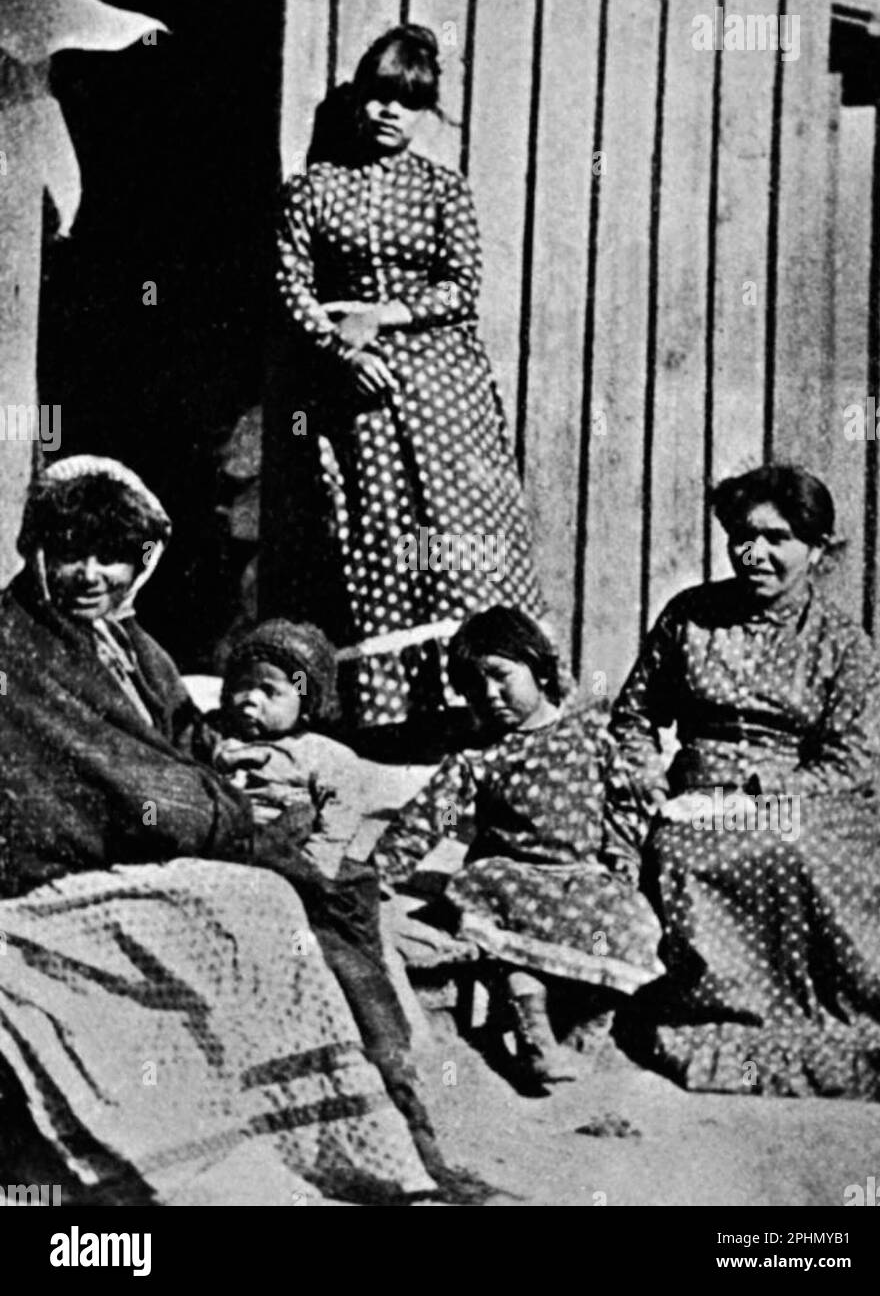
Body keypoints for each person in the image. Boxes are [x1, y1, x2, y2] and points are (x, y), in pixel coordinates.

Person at [0, 454, 479, 1203]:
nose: (91, 573)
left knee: (338, 894)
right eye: (70, 552)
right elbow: (105, 782)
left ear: (144, 560)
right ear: (37, 552)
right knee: (261, 906)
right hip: (53, 871)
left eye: (114, 555)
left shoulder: (135, 647)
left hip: (148, 843)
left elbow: (186, 748)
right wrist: (224, 813)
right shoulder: (18, 646)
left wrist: (232, 792)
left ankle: (388, 1132)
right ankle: (263, 1147)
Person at [275, 23, 546, 731]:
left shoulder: (441, 190)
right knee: (379, 541)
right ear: (359, 99)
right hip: (359, 396)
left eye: (409, 101)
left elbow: (461, 287)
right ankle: (397, 714)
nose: (391, 113)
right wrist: (342, 353)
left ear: (426, 111)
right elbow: (289, 286)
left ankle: (486, 705)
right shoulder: (313, 190)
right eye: (379, 96)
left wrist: (382, 316)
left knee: (461, 542)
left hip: (444, 392)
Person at [610, 463, 880, 1101]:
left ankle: (831, 1027)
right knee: (694, 850)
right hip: (698, 794)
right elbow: (633, 717)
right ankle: (726, 1017)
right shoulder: (690, 616)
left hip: (809, 793)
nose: (755, 552)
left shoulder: (841, 641)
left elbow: (852, 756)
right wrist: (646, 779)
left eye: (777, 538)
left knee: (796, 849)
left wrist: (775, 791)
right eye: (743, 535)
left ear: (817, 549)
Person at [374, 605, 662, 1086]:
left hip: (581, 877)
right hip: (510, 875)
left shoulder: (591, 734)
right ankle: (534, 1038)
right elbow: (432, 816)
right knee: (489, 906)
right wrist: (380, 874)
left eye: (500, 675)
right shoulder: (479, 756)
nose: (488, 693)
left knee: (633, 920)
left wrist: (622, 859)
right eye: (472, 685)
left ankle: (586, 1035)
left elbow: (622, 805)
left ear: (539, 667)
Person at [211, 618, 365, 878]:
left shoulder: (322, 754)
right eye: (243, 686)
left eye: (270, 691)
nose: (251, 699)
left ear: (304, 704)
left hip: (287, 852)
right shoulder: (216, 736)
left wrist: (316, 863)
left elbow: (342, 813)